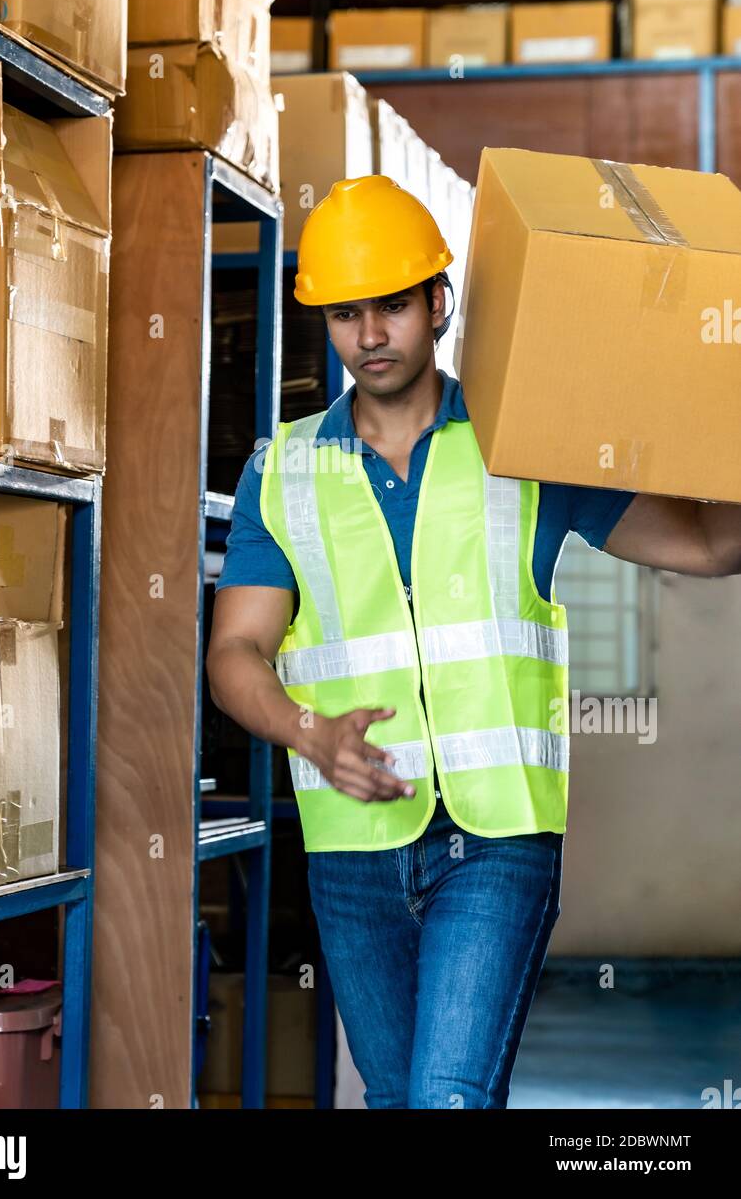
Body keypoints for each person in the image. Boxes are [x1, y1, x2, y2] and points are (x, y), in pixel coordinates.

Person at [205, 173, 741, 1109]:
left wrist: (716, 407)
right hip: (352, 851)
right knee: (395, 1099)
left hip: (497, 842)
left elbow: (710, 542)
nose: (369, 335)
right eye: (345, 313)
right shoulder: (281, 471)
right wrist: (308, 732)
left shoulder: (526, 446)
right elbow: (233, 653)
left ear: (439, 303)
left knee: (446, 1099)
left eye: (393, 306)